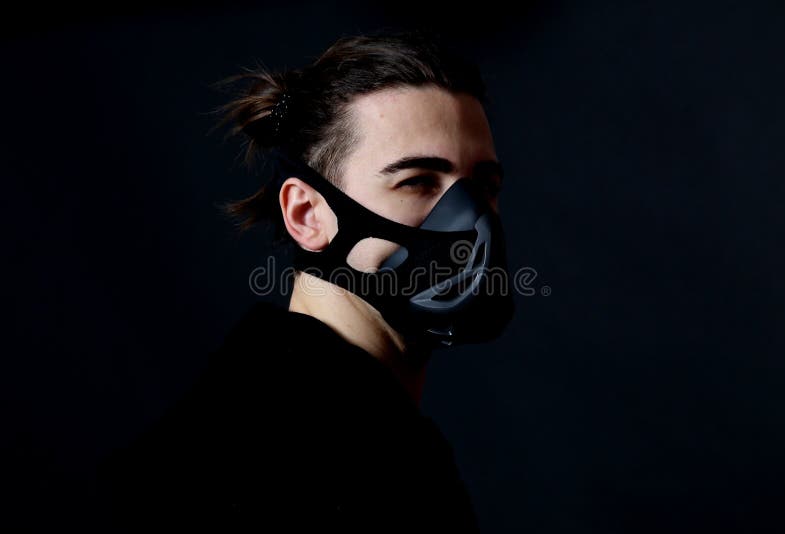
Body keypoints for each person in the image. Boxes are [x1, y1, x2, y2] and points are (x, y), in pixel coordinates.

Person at [98, 29, 515, 533]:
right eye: (417, 182)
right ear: (307, 214)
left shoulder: (302, 421)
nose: (470, 220)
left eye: (484, 186)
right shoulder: (288, 462)